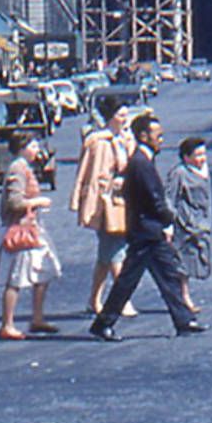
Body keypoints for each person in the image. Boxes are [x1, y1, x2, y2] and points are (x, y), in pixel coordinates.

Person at [89, 114, 208, 342]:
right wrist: (168, 220)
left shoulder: (142, 160)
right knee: (128, 280)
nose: (161, 138)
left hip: (147, 230)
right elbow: (155, 199)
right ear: (143, 136)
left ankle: (183, 320)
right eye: (157, 135)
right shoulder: (141, 163)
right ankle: (103, 323)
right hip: (146, 231)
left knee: (168, 275)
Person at [69, 95, 138, 317]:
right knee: (116, 250)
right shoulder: (98, 142)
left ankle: (94, 300)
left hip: (122, 202)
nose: (125, 119)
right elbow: (88, 174)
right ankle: (121, 300)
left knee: (106, 255)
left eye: (127, 115)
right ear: (111, 118)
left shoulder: (126, 139)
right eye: (121, 115)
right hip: (103, 203)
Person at [0, 131, 61, 340]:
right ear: (22, 147)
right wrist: (38, 202)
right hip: (21, 230)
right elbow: (14, 202)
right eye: (33, 146)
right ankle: (7, 324)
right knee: (16, 277)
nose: (37, 150)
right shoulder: (17, 169)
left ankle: (37, 318)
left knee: (45, 270)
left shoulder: (23, 168)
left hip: (32, 228)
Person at [165, 137, 212, 314]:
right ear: (186, 157)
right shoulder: (179, 173)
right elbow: (170, 199)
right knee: (182, 263)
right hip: (185, 225)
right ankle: (184, 298)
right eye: (197, 155)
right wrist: (169, 224)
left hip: (202, 224)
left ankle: (181, 296)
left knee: (197, 260)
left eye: (203, 154)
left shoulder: (204, 171)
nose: (202, 158)